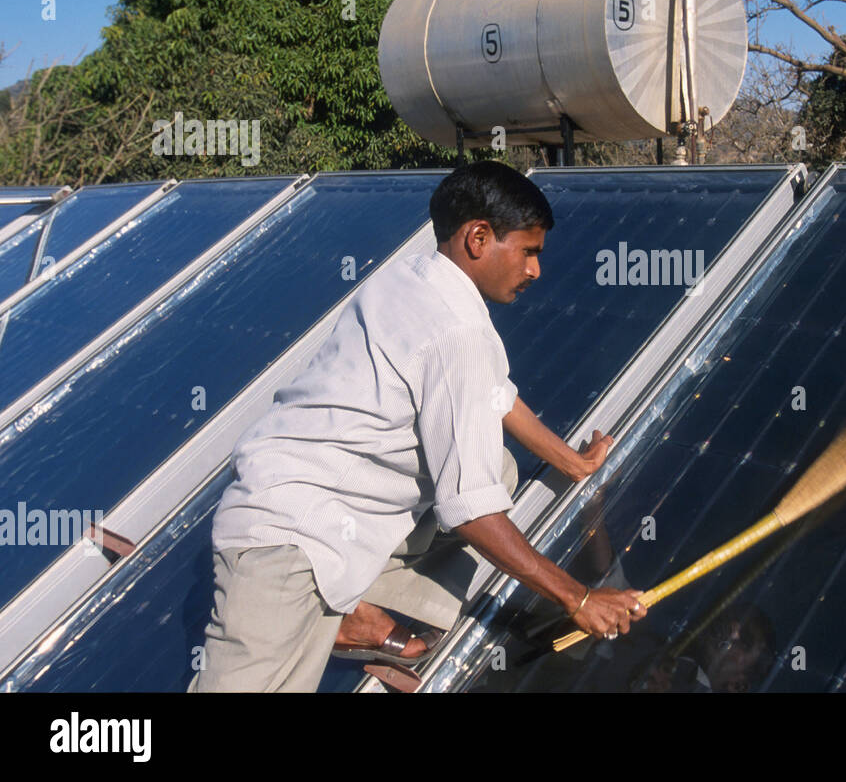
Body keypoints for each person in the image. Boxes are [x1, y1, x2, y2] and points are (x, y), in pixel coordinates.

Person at [189, 160, 645, 692]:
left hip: (317, 520)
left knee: (494, 466)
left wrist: (571, 461)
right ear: (478, 237)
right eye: (529, 251)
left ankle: (356, 606)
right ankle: (355, 607)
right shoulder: (459, 332)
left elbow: (495, 397)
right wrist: (578, 597)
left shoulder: (410, 279)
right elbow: (470, 509)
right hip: (288, 546)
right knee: (479, 490)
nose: (535, 271)